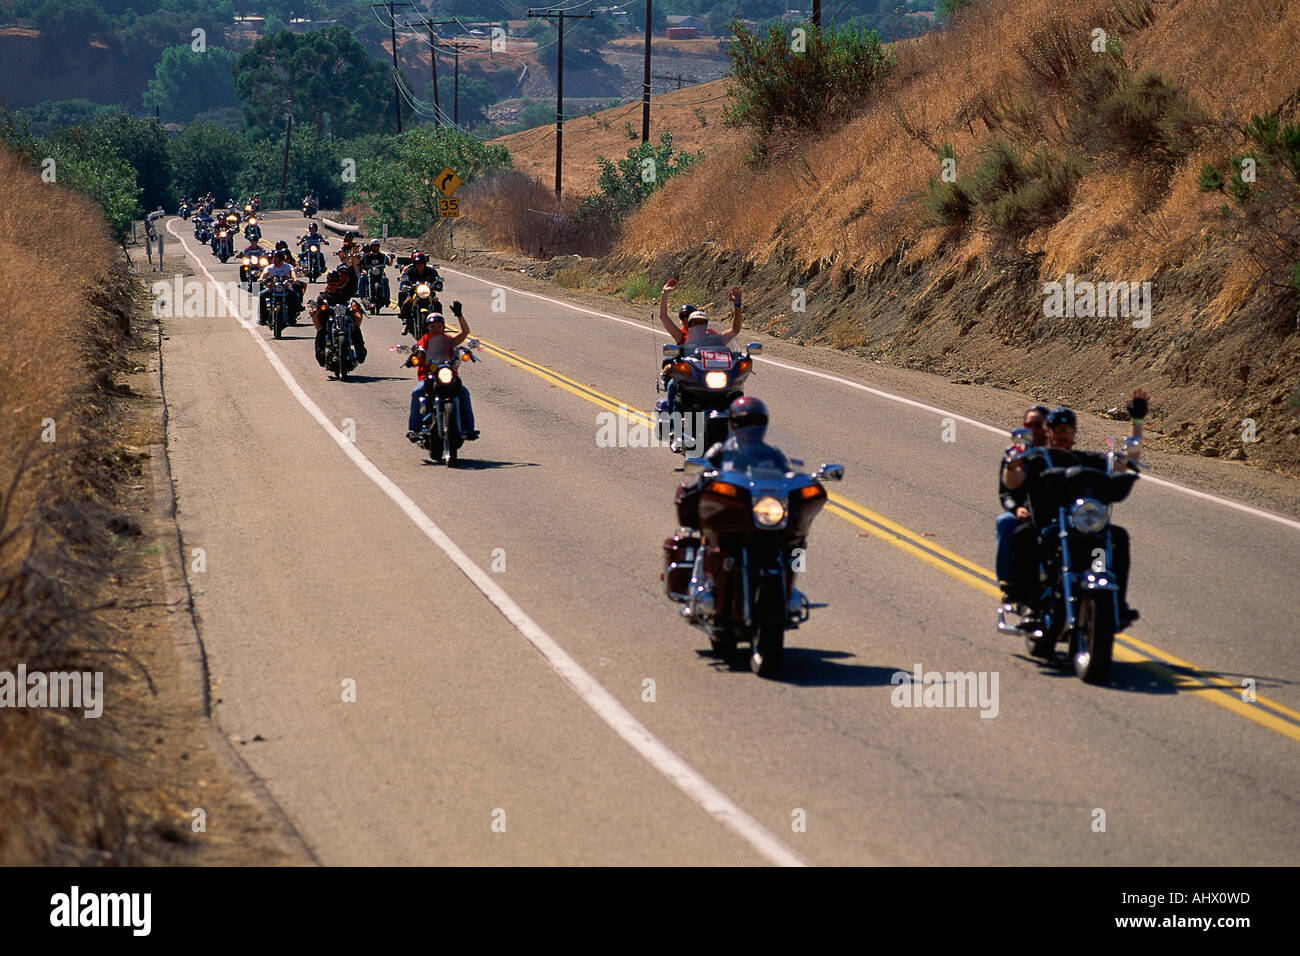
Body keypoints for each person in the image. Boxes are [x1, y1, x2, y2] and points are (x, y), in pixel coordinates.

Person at [1002, 390, 1149, 627]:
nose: (1063, 435)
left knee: (1117, 537)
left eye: (1068, 430)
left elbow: (1127, 459)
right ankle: (1029, 603)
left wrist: (1137, 422)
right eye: (1058, 430)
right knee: (1022, 535)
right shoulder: (1037, 458)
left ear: (1074, 434)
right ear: (1048, 432)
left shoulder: (1086, 459)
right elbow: (1013, 482)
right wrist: (1013, 465)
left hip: (1083, 524)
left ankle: (1116, 604)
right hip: (1048, 524)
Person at [658, 278, 745, 418]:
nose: (698, 325)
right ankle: (674, 427)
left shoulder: (714, 337)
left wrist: (738, 306)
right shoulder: (682, 336)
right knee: (673, 386)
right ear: (689, 325)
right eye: (694, 322)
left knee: (735, 390)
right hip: (691, 377)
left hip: (710, 375)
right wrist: (664, 293)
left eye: (701, 322)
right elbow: (663, 317)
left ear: (706, 324)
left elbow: (735, 330)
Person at [995, 405, 1050, 600]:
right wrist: (1016, 509)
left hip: (1056, 513)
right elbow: (1006, 492)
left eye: (1039, 424)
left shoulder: (1061, 450)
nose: (1034, 429)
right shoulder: (1015, 454)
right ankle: (1008, 582)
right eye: (1029, 425)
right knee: (1005, 522)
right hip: (1026, 513)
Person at [406, 305, 478, 442]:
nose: (436, 328)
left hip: (448, 376)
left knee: (464, 393)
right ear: (428, 327)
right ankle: (414, 430)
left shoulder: (448, 340)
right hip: (429, 378)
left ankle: (469, 429)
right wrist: (414, 355)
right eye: (433, 325)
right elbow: (417, 348)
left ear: (443, 327)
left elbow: (465, 333)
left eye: (439, 325)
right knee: (417, 392)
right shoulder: (424, 340)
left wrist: (459, 315)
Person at [311, 265, 365, 366]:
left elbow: (351, 302)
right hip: (329, 320)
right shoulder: (323, 296)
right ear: (327, 282)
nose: (333, 284)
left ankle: (361, 352)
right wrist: (316, 308)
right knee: (321, 332)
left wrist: (354, 306)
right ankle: (320, 354)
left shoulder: (343, 293)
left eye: (335, 281)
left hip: (344, 318)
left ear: (339, 282)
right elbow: (317, 305)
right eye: (331, 281)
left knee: (355, 329)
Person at [257, 250, 305, 325]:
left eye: (276, 259)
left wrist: (295, 279)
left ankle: (292, 318)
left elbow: (292, 272)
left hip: (285, 288)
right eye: (273, 258)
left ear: (282, 260)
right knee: (261, 295)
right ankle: (263, 318)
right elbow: (264, 273)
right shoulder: (269, 268)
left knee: (294, 296)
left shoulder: (287, 266)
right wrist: (261, 278)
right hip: (273, 288)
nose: (274, 260)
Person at [398, 251, 443, 327]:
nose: (420, 265)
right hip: (413, 292)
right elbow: (404, 280)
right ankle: (405, 322)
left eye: (422, 263)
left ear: (425, 263)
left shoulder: (431, 271)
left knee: (437, 304)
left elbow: (437, 280)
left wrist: (438, 285)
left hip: (428, 293)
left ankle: (439, 324)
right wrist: (404, 286)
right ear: (414, 264)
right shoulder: (410, 271)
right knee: (407, 303)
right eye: (417, 263)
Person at [357, 239, 394, 307]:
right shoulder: (366, 256)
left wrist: (391, 258)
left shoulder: (383, 256)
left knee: (386, 280)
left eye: (377, 246)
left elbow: (389, 264)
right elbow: (362, 267)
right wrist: (364, 271)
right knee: (362, 279)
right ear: (371, 246)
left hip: (380, 274)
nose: (375, 247)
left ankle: (387, 299)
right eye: (374, 246)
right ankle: (363, 298)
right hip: (368, 273)